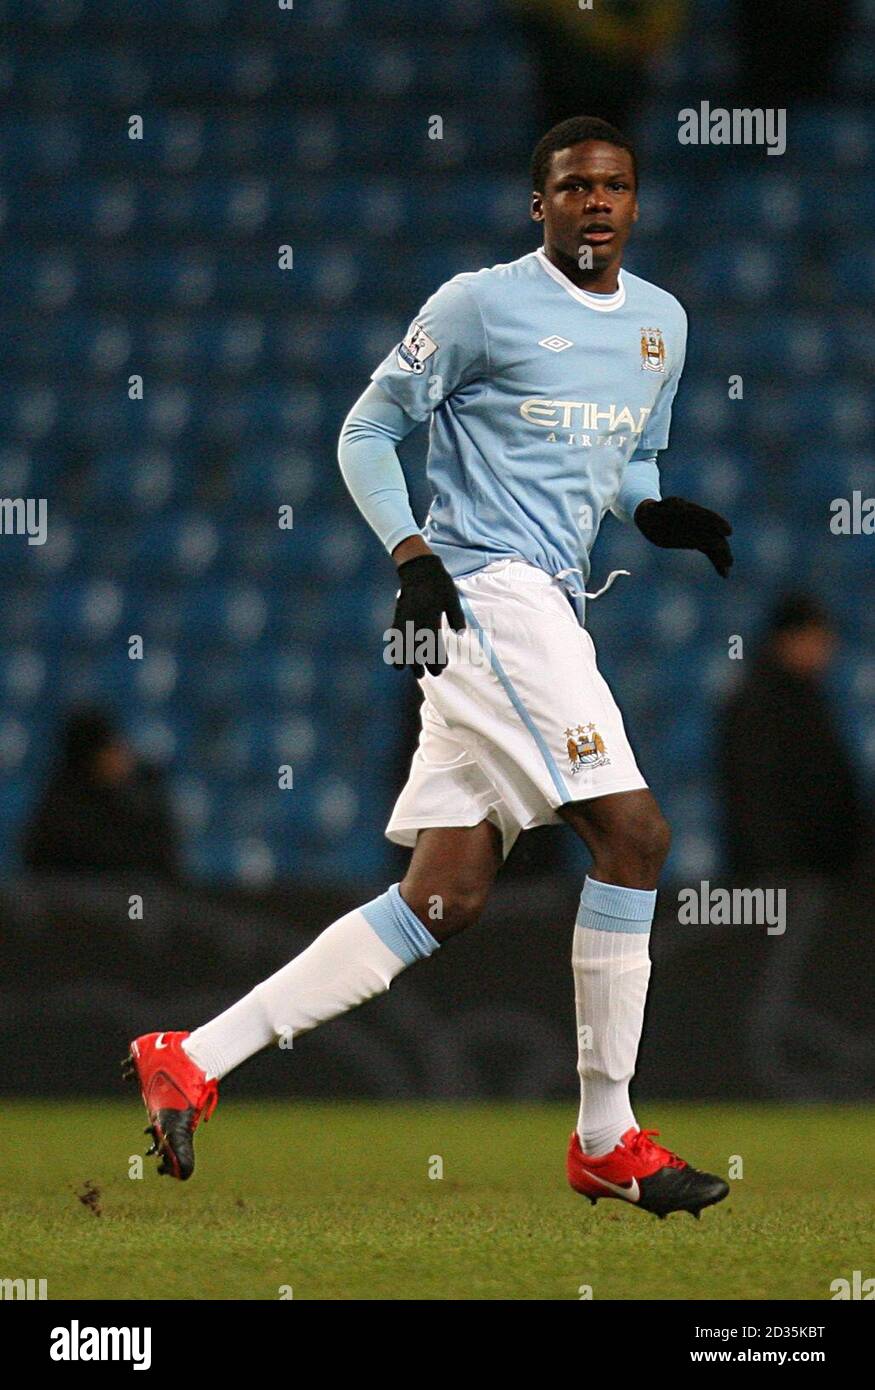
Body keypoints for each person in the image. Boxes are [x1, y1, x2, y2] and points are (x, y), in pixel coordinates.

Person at [126, 117, 733, 1219]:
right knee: (635, 834)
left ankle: (192, 1055)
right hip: (482, 593)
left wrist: (654, 509)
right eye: (572, 187)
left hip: (550, 598)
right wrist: (411, 554)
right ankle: (606, 1134)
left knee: (442, 898)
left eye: (614, 187)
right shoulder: (477, 305)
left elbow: (628, 458)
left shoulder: (660, 326)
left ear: (633, 204)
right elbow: (366, 430)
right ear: (536, 203)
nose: (595, 202)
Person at [719, 593, 867, 882]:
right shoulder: (755, 706)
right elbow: (755, 797)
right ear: (787, 639)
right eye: (816, 639)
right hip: (781, 871)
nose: (825, 650)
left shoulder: (813, 699)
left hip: (823, 868)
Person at [22, 706, 179, 879]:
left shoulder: (140, 799)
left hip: (134, 902)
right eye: (110, 748)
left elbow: (163, 870)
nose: (121, 756)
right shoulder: (59, 812)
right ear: (90, 756)